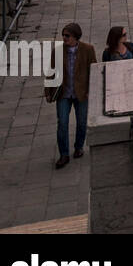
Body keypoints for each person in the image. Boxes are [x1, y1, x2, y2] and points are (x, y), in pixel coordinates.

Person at [47, 23, 95, 168]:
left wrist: (90, 90)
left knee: (81, 123)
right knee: (62, 124)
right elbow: (51, 71)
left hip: (81, 93)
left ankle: (78, 147)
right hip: (64, 93)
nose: (64, 38)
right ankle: (64, 154)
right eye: (63, 35)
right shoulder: (58, 51)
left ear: (75, 37)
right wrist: (48, 92)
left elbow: (93, 69)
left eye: (67, 35)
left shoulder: (87, 49)